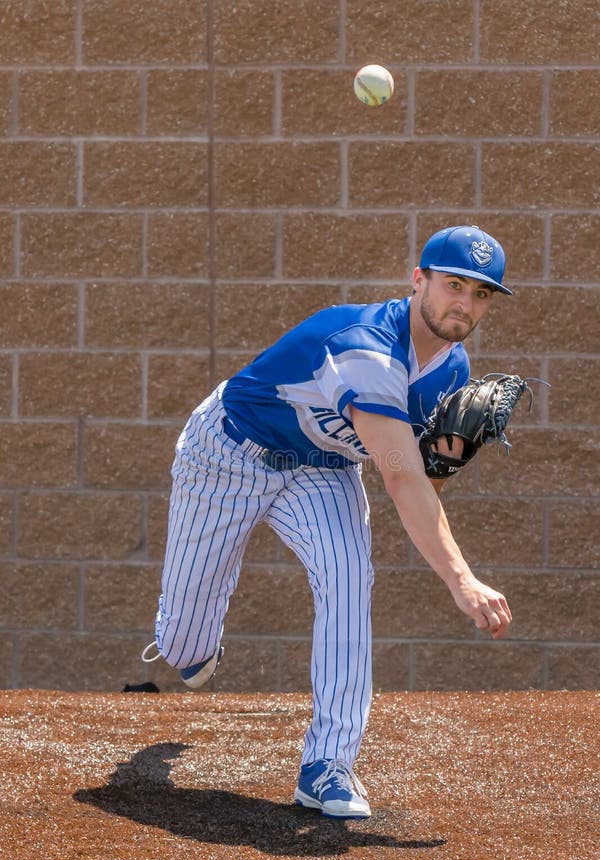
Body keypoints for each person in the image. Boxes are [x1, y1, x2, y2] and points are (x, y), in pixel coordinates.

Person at [143, 224, 514, 820]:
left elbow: (419, 479)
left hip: (324, 467)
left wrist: (441, 461)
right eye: (454, 286)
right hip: (229, 452)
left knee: (347, 577)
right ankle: (189, 639)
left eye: (481, 294)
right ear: (418, 281)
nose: (464, 305)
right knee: (183, 646)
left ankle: (328, 766)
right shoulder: (364, 344)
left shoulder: (451, 367)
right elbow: (399, 480)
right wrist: (462, 580)